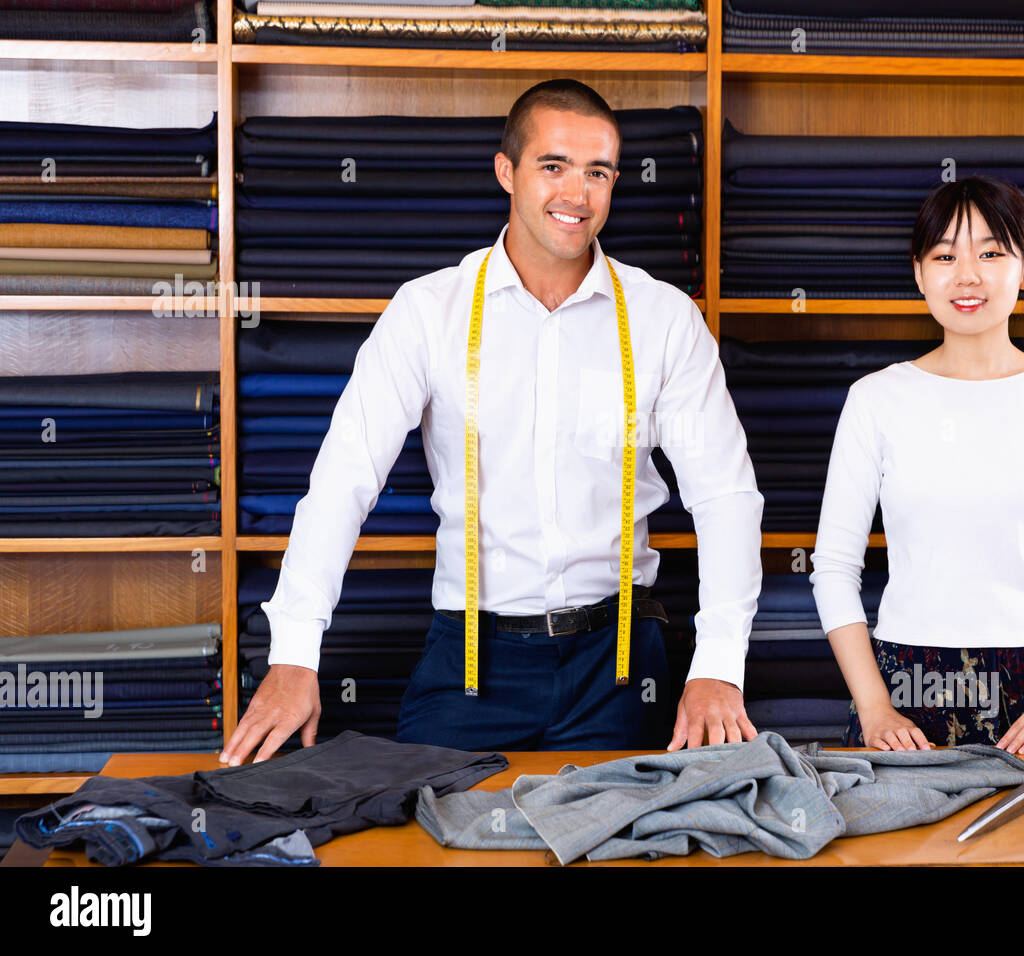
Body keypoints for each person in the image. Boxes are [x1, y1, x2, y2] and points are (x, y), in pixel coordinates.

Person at [220, 79, 764, 765]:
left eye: (598, 172)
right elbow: (343, 482)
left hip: (620, 665)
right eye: (554, 166)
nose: (577, 193)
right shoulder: (428, 312)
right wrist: (295, 655)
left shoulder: (662, 319)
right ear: (507, 171)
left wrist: (718, 664)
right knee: (427, 843)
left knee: (624, 850)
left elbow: (725, 496)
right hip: (469, 662)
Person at [809, 175, 1024, 756]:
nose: (967, 275)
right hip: (902, 684)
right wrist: (874, 705)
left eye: (990, 253)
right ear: (919, 272)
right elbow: (833, 567)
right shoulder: (876, 400)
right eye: (944, 255)